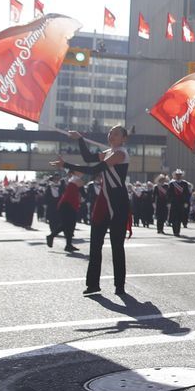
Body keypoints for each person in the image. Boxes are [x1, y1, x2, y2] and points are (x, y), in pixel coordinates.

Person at [52, 127, 130, 296]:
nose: (111, 135)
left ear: (124, 138)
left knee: (117, 245)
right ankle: (93, 284)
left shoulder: (120, 154)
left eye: (116, 133)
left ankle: (119, 285)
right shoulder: (108, 152)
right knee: (95, 244)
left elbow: (95, 170)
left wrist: (66, 165)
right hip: (103, 201)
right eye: (110, 133)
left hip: (118, 202)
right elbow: (87, 158)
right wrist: (80, 139)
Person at [50, 172, 83, 252]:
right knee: (67, 225)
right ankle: (52, 236)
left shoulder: (73, 180)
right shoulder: (74, 180)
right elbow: (82, 190)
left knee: (70, 226)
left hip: (71, 205)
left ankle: (68, 245)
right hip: (67, 205)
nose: (82, 173)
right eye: (80, 172)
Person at [168, 170, 191, 237]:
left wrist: (186, 202)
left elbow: (187, 193)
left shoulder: (184, 183)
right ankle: (175, 231)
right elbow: (169, 193)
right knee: (174, 217)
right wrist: (169, 202)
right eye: (177, 174)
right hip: (174, 202)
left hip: (181, 202)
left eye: (179, 175)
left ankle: (178, 231)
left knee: (180, 217)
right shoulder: (172, 183)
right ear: (175, 175)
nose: (178, 176)